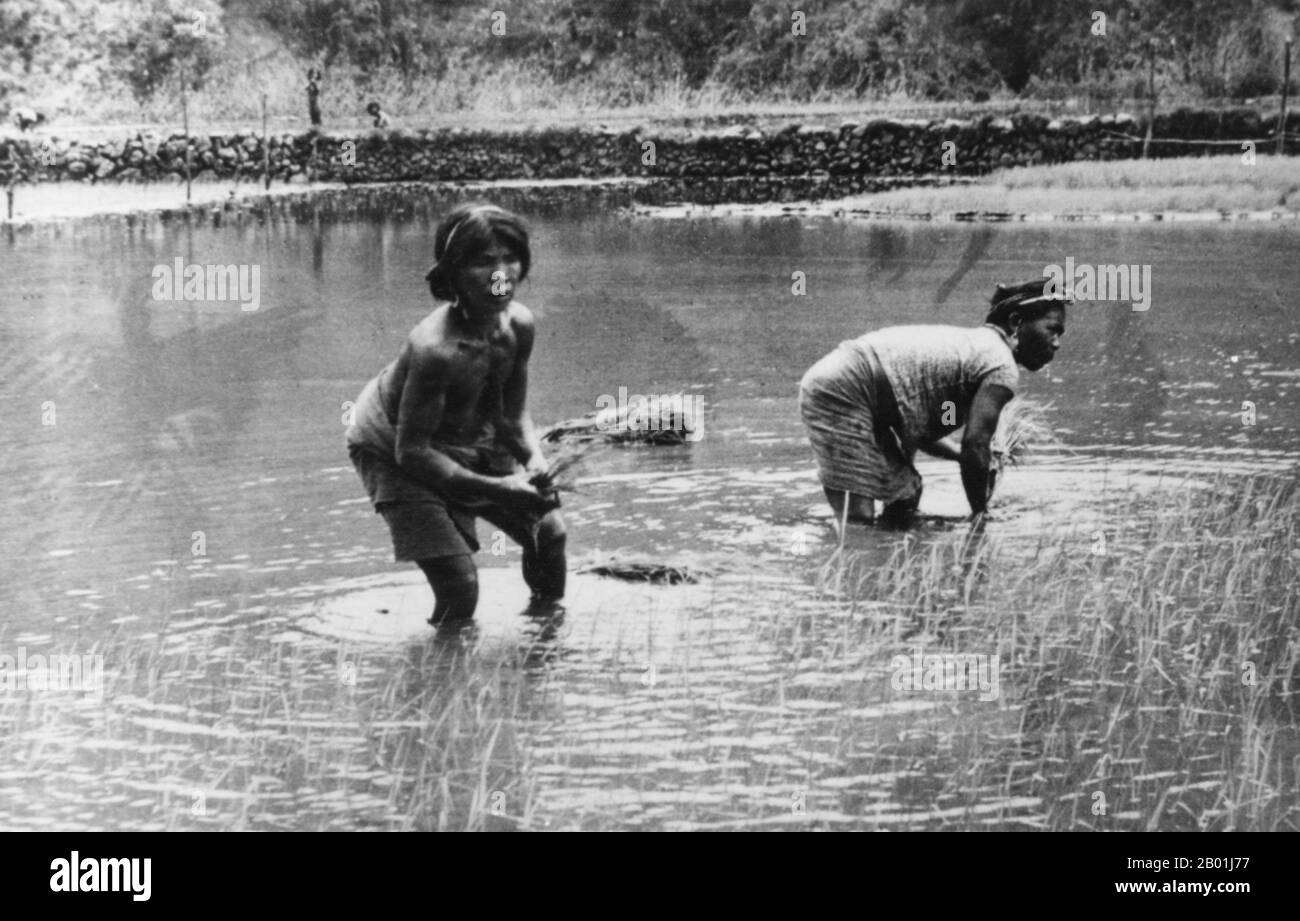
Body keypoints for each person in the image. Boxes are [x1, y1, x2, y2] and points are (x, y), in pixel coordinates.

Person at [346, 203, 565, 624]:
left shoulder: (519, 325)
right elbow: (413, 452)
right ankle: (441, 671)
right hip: (394, 446)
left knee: (550, 534)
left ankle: (544, 645)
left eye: (510, 259)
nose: (501, 275)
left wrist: (536, 463)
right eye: (484, 262)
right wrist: (502, 489)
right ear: (453, 274)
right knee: (460, 586)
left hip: (467, 435)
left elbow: (513, 415)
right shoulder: (436, 349)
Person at [798, 280, 1067, 529]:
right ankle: (853, 563)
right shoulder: (1000, 365)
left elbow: (926, 434)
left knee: (906, 493)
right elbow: (976, 444)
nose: (1056, 344)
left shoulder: (975, 350)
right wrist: (980, 517)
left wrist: (963, 456)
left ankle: (892, 561)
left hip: (848, 383)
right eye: (1052, 330)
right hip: (847, 389)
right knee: (858, 519)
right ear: (1016, 322)